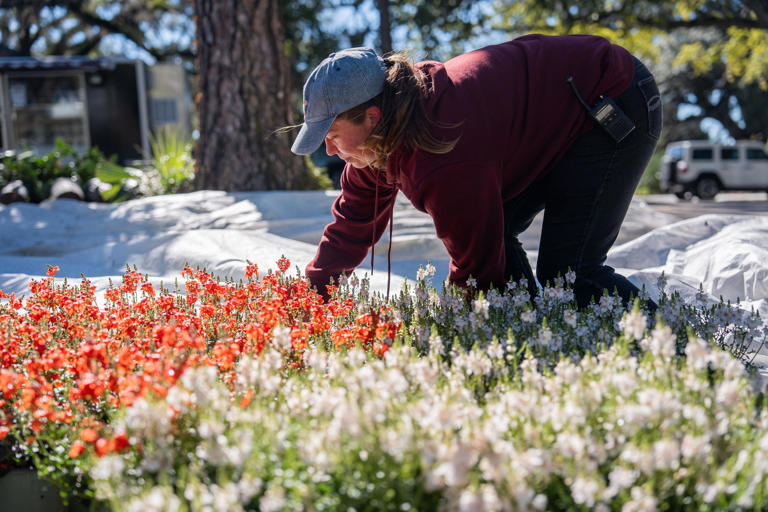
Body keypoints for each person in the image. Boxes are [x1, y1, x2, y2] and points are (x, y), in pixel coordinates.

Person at [290, 34, 662, 307]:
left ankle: (675, 344)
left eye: (333, 134)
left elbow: (478, 269)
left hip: (612, 100)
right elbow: (352, 223)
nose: (329, 149)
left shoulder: (442, 154)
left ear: (372, 117)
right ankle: (532, 328)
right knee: (510, 249)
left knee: (568, 275)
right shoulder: (378, 139)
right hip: (564, 113)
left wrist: (455, 328)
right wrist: (311, 297)